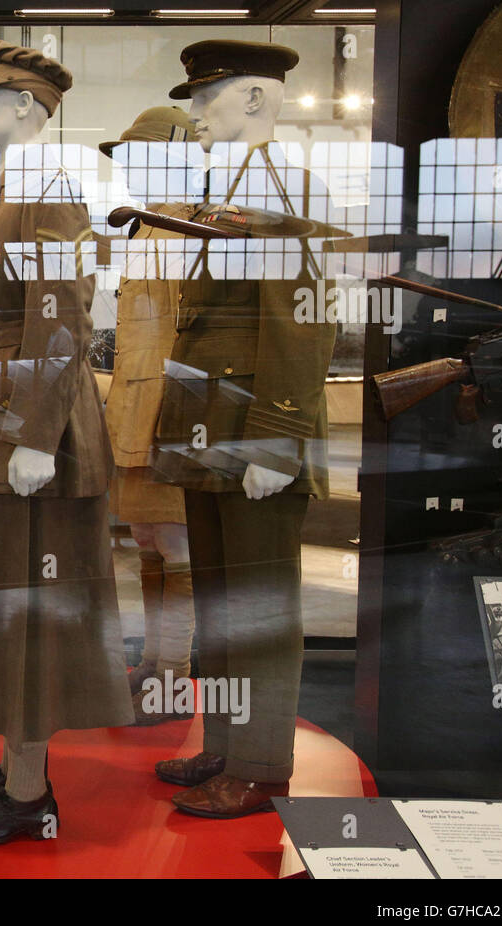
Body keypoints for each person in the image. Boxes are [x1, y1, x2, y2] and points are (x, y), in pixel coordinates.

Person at [0, 41, 133, 845]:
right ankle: (21, 769)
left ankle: (29, 793)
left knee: (27, 613)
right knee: (2, 602)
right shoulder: (10, 195)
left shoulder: (48, 193)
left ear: (28, 103)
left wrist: (35, 438)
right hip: (5, 419)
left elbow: (61, 322)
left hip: (30, 433)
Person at [151, 41, 339, 819]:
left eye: (209, 97)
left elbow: (304, 322)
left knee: (259, 609)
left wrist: (275, 438)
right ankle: (227, 742)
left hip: (254, 430)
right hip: (212, 433)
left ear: (257, 100)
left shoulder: (285, 184)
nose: (195, 114)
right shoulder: (230, 186)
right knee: (226, 607)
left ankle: (261, 767)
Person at [100, 107, 198, 726]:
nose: (128, 170)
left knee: (178, 545)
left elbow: (193, 338)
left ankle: (178, 675)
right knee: (148, 543)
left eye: (139, 156)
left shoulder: (189, 229)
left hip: (169, 412)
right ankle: (155, 668)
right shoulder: (148, 229)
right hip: (136, 409)